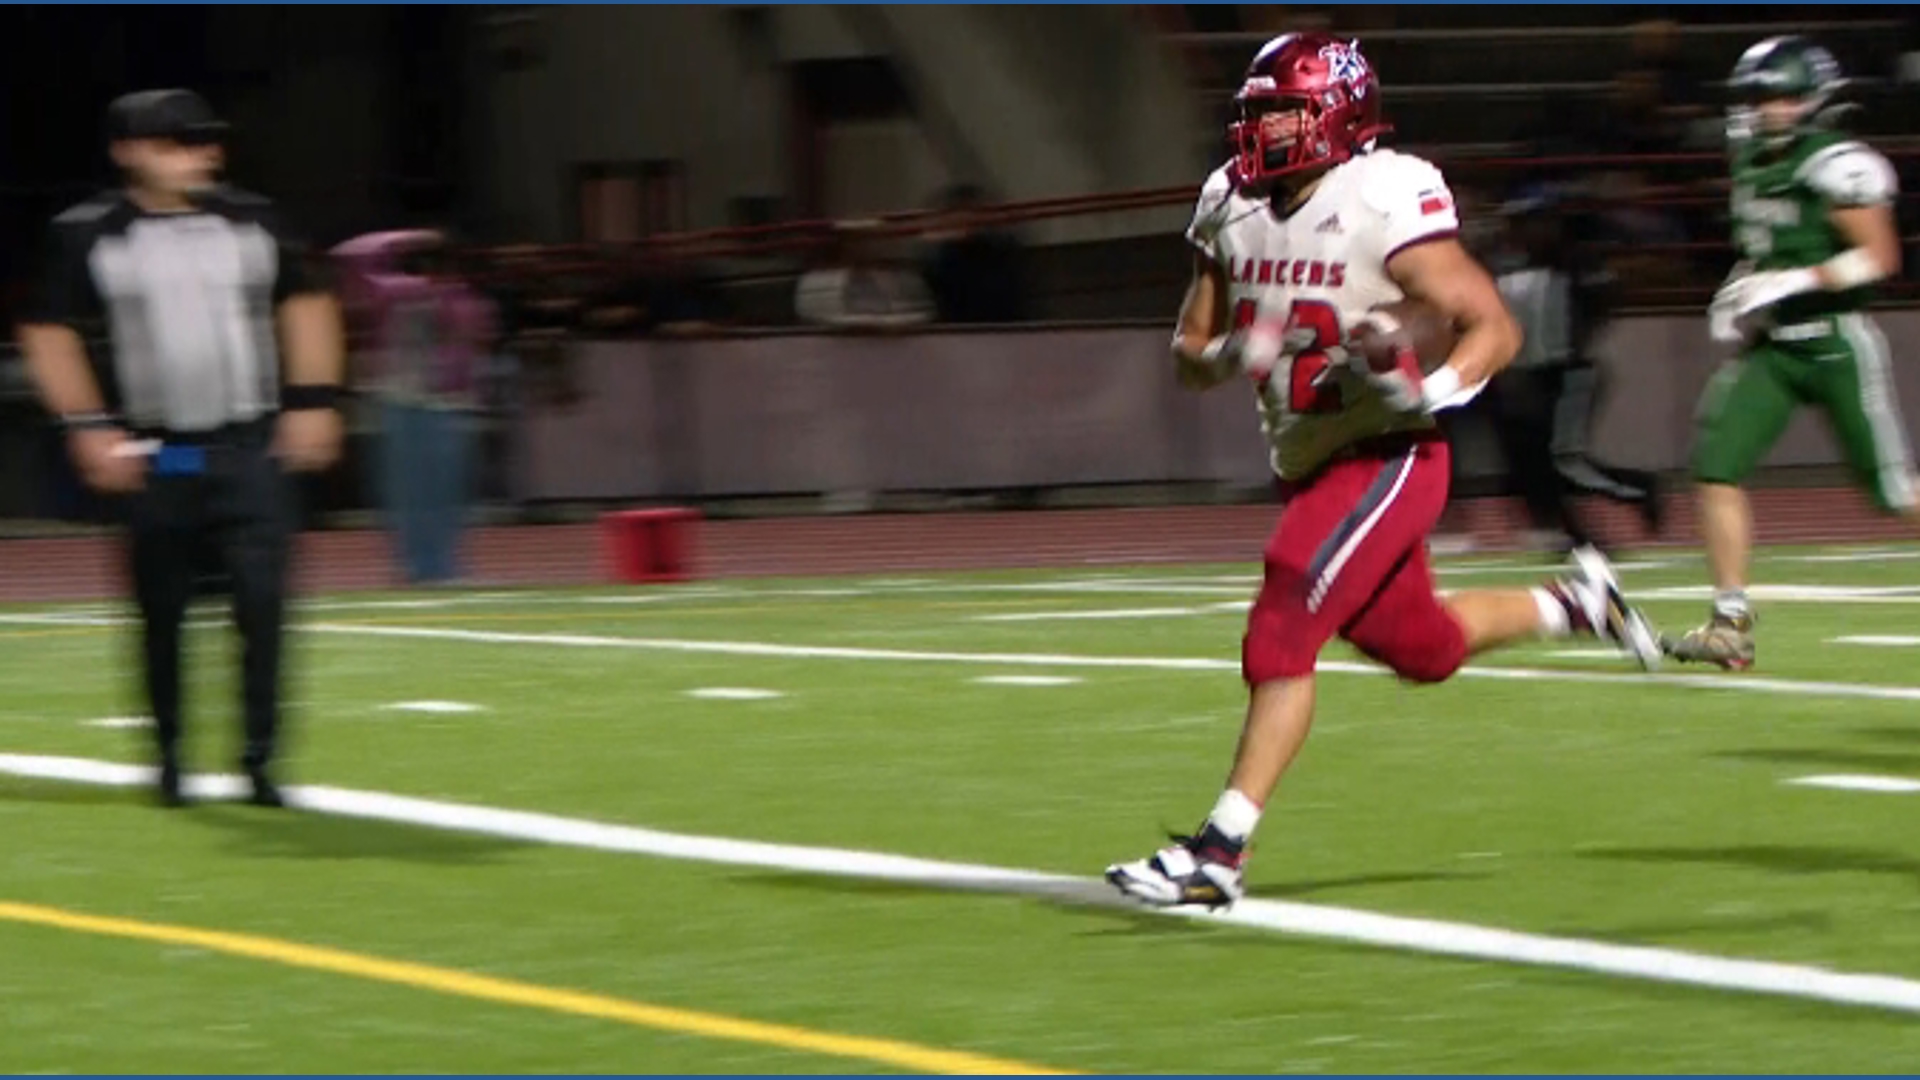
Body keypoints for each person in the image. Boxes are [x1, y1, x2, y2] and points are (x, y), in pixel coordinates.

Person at [1104, 34, 1663, 909]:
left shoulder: (1382, 196)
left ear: (1335, 115)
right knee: (1422, 647)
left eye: (1281, 113)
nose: (1261, 130)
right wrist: (1231, 353)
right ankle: (1577, 603)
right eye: (1257, 114)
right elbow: (1188, 352)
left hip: (1392, 453)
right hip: (1309, 462)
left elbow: (1493, 327)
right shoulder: (1229, 199)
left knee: (1286, 611)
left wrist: (1425, 388)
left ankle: (1218, 853)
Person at [15, 89, 345, 807]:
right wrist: (87, 424)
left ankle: (260, 760)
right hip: (162, 452)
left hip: (249, 446)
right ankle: (169, 758)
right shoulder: (89, 232)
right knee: (163, 605)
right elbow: (46, 328)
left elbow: (308, 301)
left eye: (205, 139)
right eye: (178, 142)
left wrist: (314, 400)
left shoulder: (256, 219)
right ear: (128, 151)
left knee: (264, 602)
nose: (202, 153)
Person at [1667, 37, 1910, 671]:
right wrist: (1740, 285)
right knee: (1716, 465)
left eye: (1784, 96)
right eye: (1760, 96)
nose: (1770, 108)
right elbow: (1765, 246)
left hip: (1833, 340)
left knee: (1894, 495)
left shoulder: (1834, 163)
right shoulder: (1748, 158)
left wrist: (1795, 280)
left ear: (1815, 100)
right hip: (1774, 346)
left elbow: (1880, 258)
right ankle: (1729, 623)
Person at [1488, 190, 1661, 552]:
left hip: (1568, 374)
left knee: (1565, 459)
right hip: (1527, 374)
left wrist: (1574, 342)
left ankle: (1639, 490)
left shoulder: (1572, 261)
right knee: (1532, 461)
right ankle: (1576, 536)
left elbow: (1603, 301)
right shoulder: (1504, 264)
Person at [331, 228, 496, 585]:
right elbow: (352, 256)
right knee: (409, 494)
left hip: (449, 407)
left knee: (448, 494)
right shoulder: (398, 293)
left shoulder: (464, 301)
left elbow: (472, 353)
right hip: (403, 406)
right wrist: (410, 236)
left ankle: (443, 567)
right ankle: (418, 568)